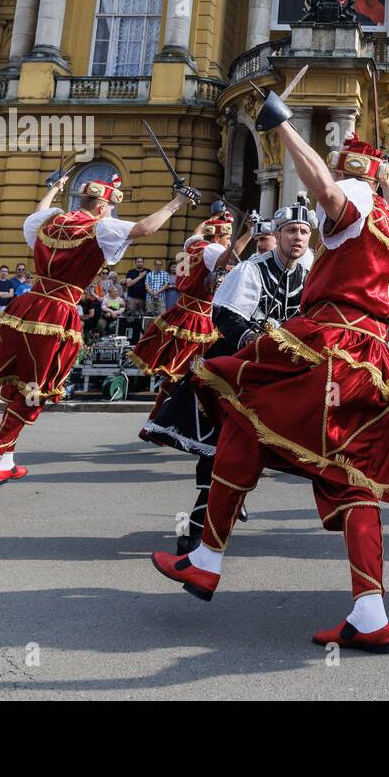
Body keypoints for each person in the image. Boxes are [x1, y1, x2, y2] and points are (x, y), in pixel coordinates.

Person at [151, 107, 389, 655]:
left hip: (330, 341)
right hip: (374, 355)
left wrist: (282, 125)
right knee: (351, 476)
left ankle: (208, 559)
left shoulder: (352, 201)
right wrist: (383, 180)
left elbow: (326, 190)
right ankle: (369, 611)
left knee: (238, 405)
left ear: (351, 174)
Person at [0, 171, 198, 505]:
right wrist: (177, 202)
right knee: (34, 391)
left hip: (23, 310)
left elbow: (36, 212)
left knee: (20, 385)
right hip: (56, 316)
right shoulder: (99, 227)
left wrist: (53, 190)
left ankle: (6, 463)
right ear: (102, 207)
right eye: (110, 210)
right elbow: (145, 228)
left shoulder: (49, 221)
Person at [144, 207, 315, 554]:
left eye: (304, 232)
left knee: (252, 451)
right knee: (222, 450)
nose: (297, 237)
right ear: (278, 236)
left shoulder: (308, 274)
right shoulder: (251, 270)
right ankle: (195, 533)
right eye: (291, 231)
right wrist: (263, 343)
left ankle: (219, 514)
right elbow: (226, 316)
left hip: (275, 375)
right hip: (234, 372)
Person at [128, 212, 248, 419]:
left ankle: (161, 415)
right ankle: (169, 417)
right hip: (197, 319)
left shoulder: (193, 246)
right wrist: (250, 232)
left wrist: (213, 217)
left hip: (180, 311)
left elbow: (197, 232)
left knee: (177, 372)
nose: (229, 242)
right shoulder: (212, 249)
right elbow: (229, 256)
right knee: (188, 372)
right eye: (227, 239)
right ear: (218, 239)